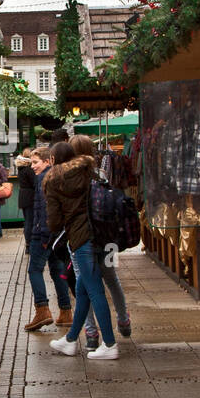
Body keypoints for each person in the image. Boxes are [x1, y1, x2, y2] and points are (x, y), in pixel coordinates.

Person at [44, 140, 117, 358]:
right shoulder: (86, 171)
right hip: (101, 234)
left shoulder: (53, 180)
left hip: (80, 238)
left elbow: (55, 222)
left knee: (95, 291)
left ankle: (110, 344)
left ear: (53, 160)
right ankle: (71, 339)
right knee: (84, 291)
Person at [71, 134, 133, 348]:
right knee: (111, 278)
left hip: (82, 238)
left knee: (84, 282)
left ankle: (91, 332)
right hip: (107, 236)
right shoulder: (101, 173)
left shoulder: (70, 176)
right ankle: (123, 318)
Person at [24, 146, 72, 331]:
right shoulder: (55, 177)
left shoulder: (44, 178)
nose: (33, 166)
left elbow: (45, 209)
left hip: (43, 233)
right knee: (57, 270)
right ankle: (66, 311)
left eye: (35, 162)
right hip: (56, 233)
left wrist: (43, 235)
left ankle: (42, 310)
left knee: (34, 270)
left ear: (47, 161)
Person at [15, 148, 36, 244]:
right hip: (30, 196)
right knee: (30, 221)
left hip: (23, 196)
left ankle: (28, 242)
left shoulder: (21, 168)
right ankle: (29, 243)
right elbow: (34, 183)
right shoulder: (29, 169)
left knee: (27, 220)